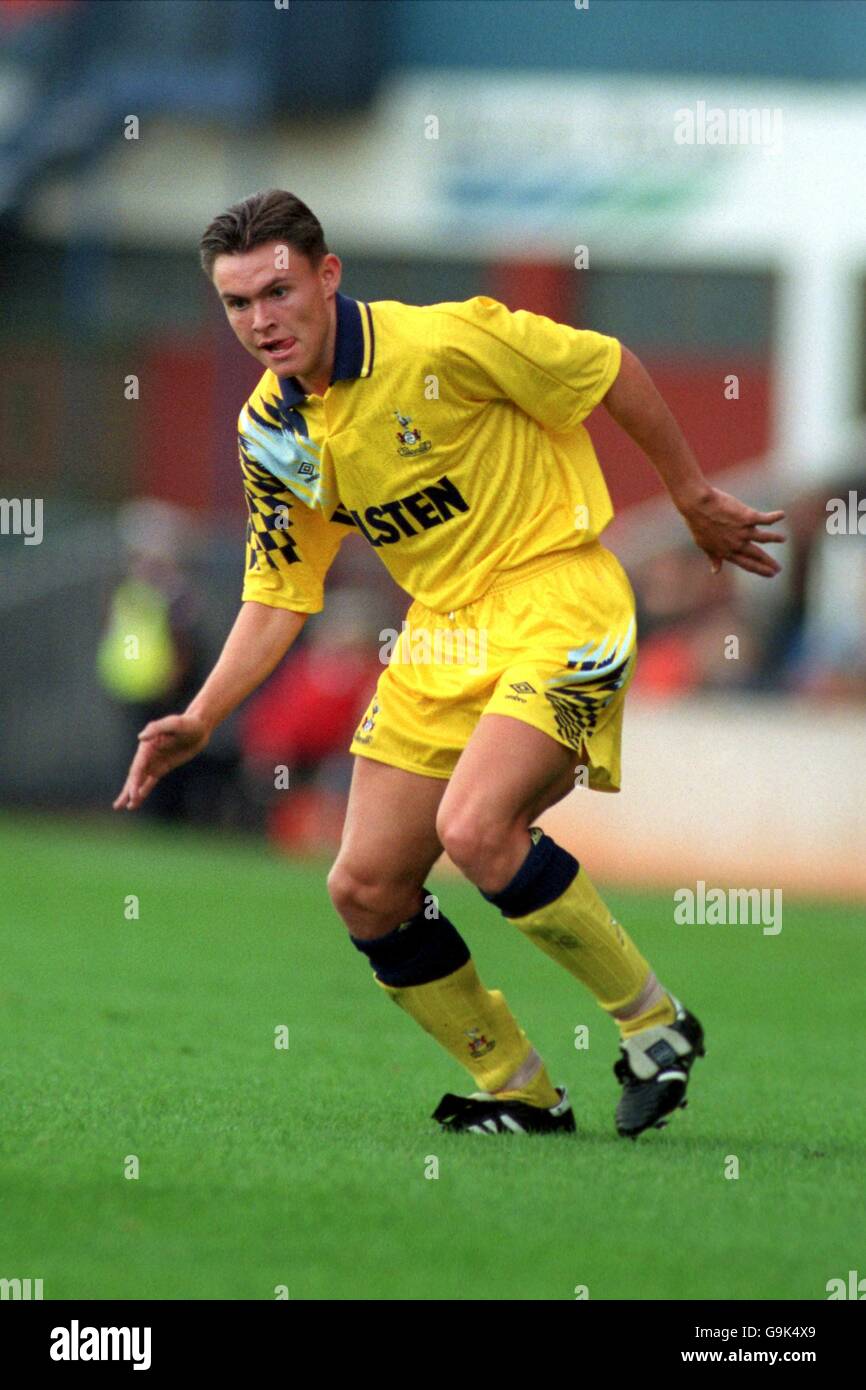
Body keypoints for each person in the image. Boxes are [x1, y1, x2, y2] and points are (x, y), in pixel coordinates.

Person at [114, 189, 785, 1139]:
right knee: (365, 887)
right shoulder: (271, 429)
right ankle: (520, 1088)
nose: (262, 321)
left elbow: (608, 369)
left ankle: (654, 1024)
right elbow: (278, 592)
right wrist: (204, 714)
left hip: (562, 601)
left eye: (278, 291)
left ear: (327, 274)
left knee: (476, 827)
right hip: (439, 636)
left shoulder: (446, 342)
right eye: (237, 304)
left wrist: (689, 494)